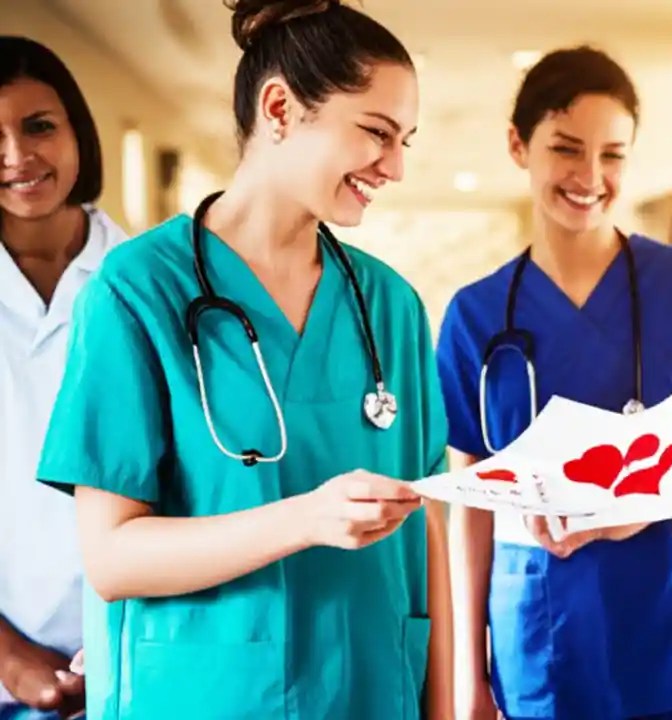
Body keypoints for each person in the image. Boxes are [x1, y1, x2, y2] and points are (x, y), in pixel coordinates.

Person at [32, 1, 453, 718]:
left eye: (404, 140)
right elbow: (112, 558)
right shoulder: (139, 291)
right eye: (376, 133)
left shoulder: (391, 307)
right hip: (202, 695)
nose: (396, 167)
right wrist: (307, 519)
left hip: (370, 691)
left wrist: (443, 707)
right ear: (280, 108)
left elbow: (427, 526)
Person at [437, 46, 672, 720]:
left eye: (613, 155)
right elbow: (471, 504)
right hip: (534, 639)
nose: (591, 177)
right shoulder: (475, 315)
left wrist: (647, 502)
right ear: (518, 146)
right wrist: (468, 675)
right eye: (566, 149)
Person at [0, 36, 126, 720]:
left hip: (141, 662)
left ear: (77, 130)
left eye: (39, 126)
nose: (18, 156)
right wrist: (10, 659)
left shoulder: (150, 279)